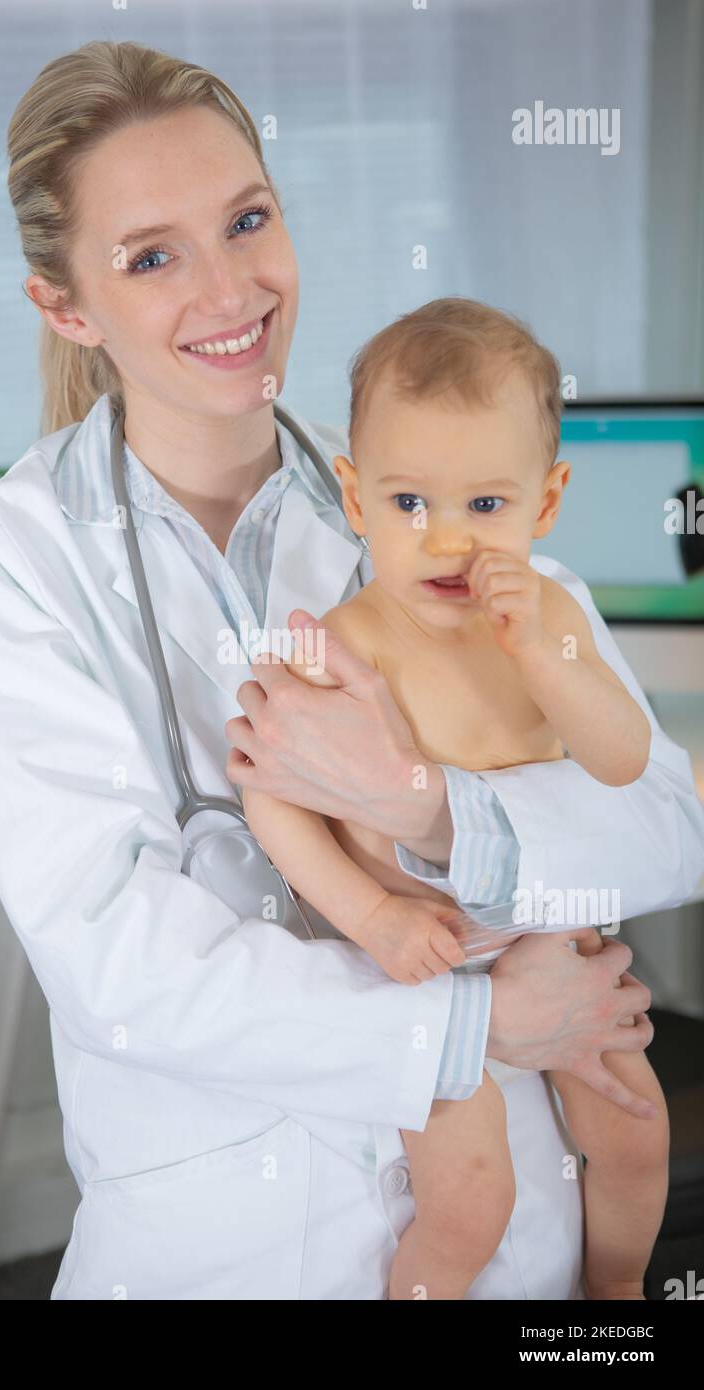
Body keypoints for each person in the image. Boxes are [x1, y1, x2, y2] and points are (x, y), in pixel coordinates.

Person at [0, 39, 704, 1300]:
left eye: (247, 219)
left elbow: (666, 826)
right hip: (224, 1245)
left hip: (517, 1239)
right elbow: (118, 960)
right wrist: (474, 1021)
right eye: (152, 255)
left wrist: (437, 813)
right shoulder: (4, 555)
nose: (230, 289)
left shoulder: (428, 488)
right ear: (65, 307)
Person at [242, 298, 671, 1302]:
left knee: (637, 1136)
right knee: (469, 1202)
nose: (444, 542)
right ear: (352, 496)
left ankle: (613, 1302)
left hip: (551, 935)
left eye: (484, 507)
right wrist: (375, 915)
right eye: (406, 504)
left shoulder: (549, 609)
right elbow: (272, 801)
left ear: (545, 501)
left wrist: (547, 660)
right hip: (427, 971)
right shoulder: (340, 643)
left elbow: (622, 758)